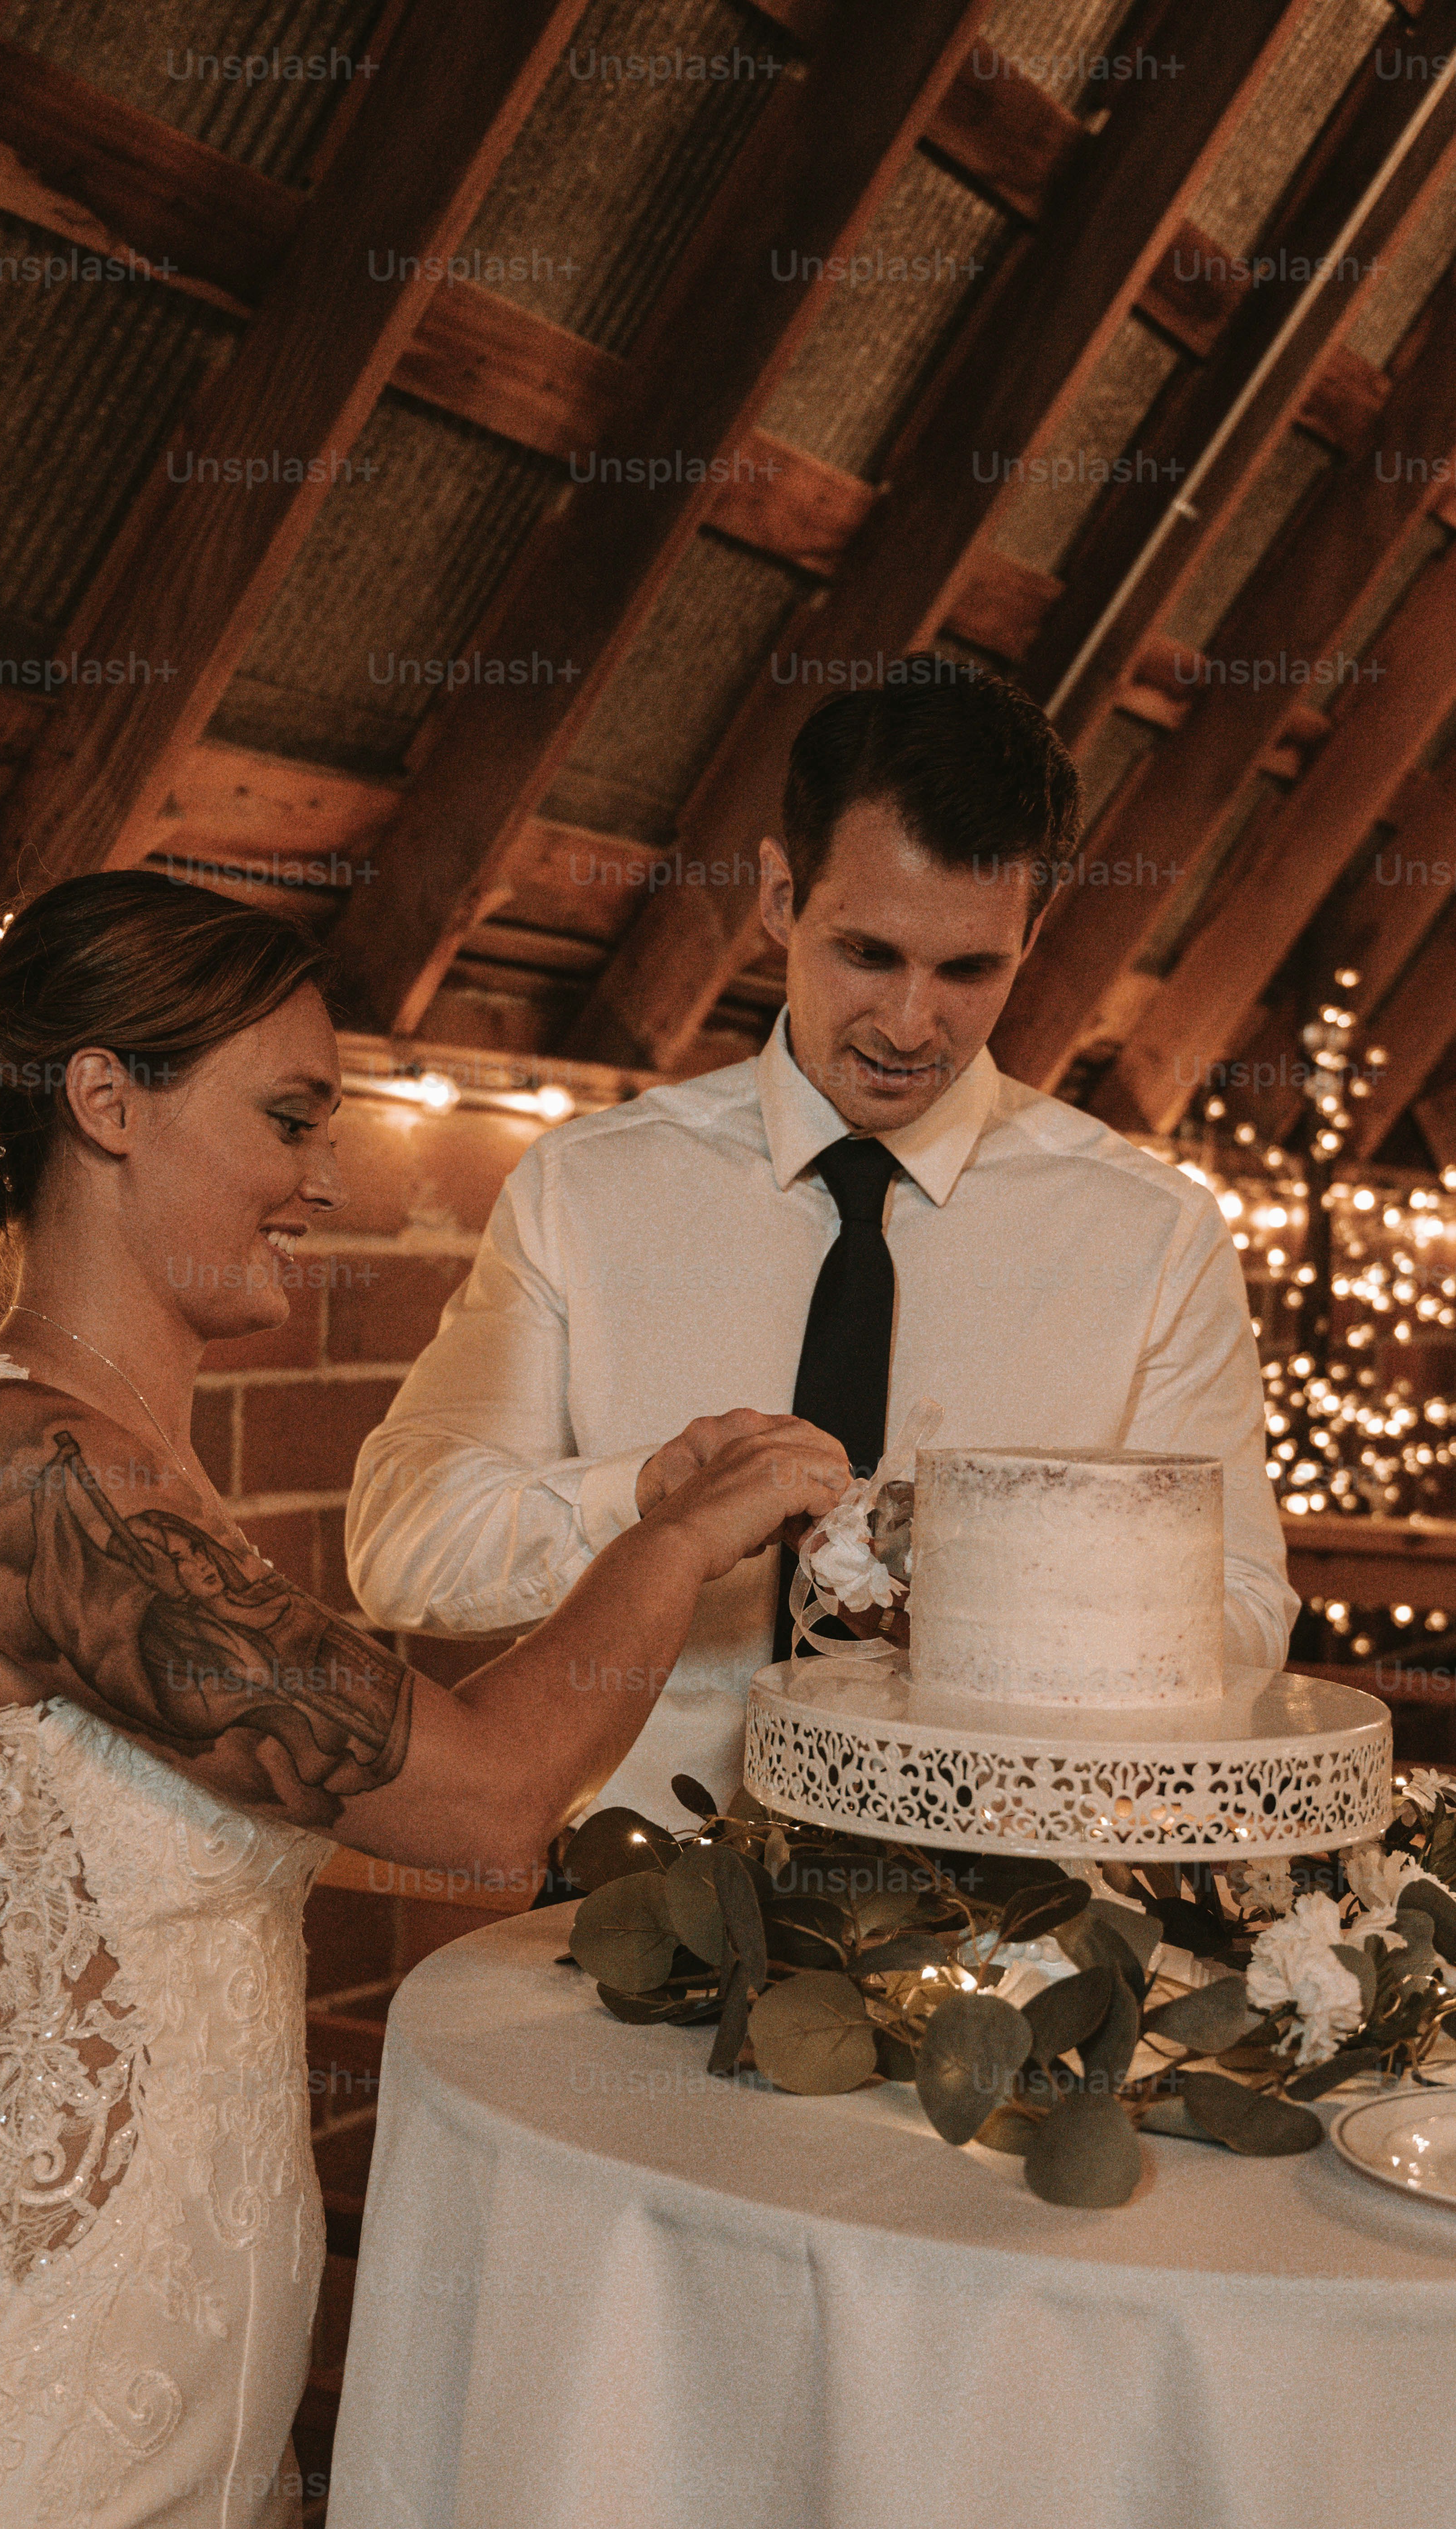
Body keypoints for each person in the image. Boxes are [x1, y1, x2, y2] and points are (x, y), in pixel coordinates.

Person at [0, 873, 848, 2529]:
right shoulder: (23, 1476)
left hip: (188, 2443)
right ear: (106, 1099)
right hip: (32, 2462)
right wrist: (679, 1534)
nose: (319, 1177)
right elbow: (468, 1802)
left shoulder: (131, 1464)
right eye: (287, 1118)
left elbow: (265, 1842)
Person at [346, 660, 1298, 1834]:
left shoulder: (1154, 1236)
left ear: (1032, 932)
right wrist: (651, 1499)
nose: (911, 1024)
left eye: (969, 970)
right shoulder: (585, 1190)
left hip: (1006, 1936)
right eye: (869, 953)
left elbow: (1248, 1610)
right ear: (780, 895)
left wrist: (983, 1595)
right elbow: (401, 1540)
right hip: (624, 1910)